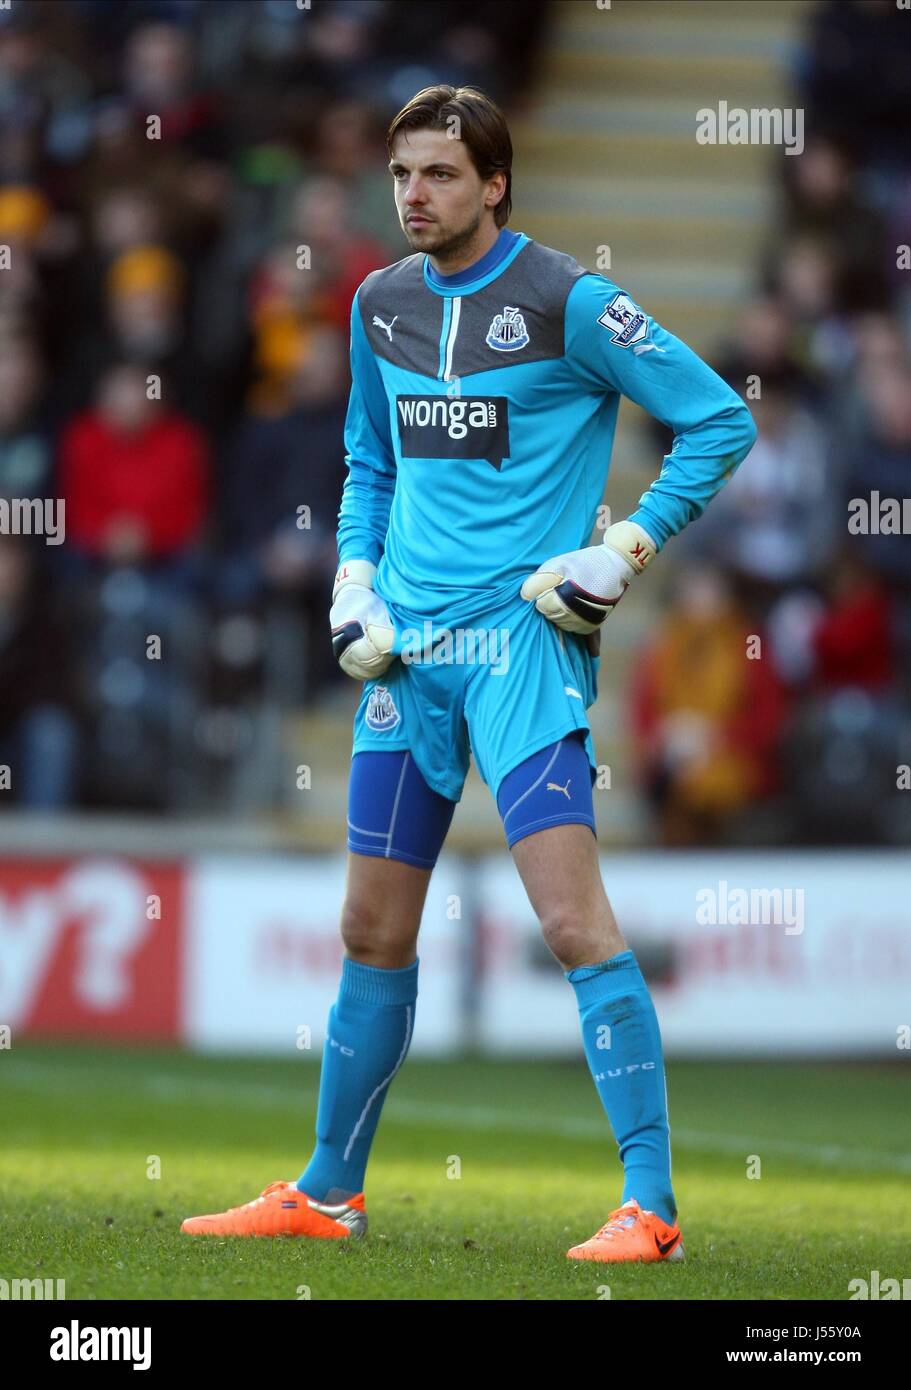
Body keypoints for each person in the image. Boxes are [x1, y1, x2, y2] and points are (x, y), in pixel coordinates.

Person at [180, 85, 757, 1261]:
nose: (414, 195)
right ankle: (328, 1191)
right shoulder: (376, 303)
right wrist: (354, 580)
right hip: (411, 652)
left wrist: (622, 548)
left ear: (493, 183)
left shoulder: (569, 301)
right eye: (400, 175)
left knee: (568, 918)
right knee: (369, 925)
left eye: (439, 174)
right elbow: (366, 459)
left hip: (520, 648)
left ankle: (650, 1209)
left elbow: (716, 422)